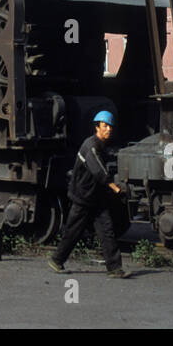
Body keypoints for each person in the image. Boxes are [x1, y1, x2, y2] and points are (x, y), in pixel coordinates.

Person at [48, 111, 129, 278]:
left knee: (107, 231)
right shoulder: (91, 146)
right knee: (73, 232)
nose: (108, 129)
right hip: (82, 197)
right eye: (105, 126)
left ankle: (114, 268)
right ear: (97, 127)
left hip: (96, 198)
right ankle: (56, 259)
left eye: (110, 126)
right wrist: (116, 189)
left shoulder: (101, 145)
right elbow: (100, 172)